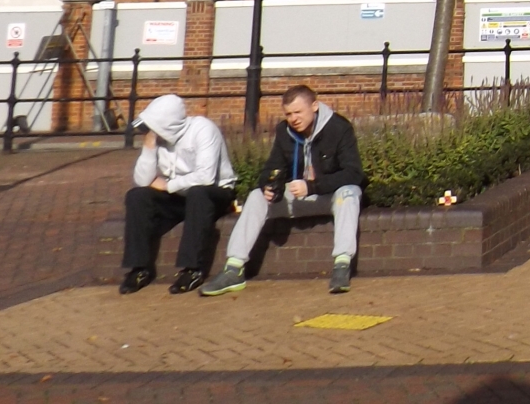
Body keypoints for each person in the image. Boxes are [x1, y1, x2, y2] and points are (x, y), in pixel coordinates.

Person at [202, 84, 365, 296]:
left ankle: (342, 265)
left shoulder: (339, 128)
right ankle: (233, 269)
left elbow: (354, 173)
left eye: (298, 112)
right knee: (256, 196)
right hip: (299, 196)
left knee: (349, 193)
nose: (293, 118)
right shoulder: (284, 131)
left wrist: (312, 186)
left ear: (314, 106)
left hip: (328, 195)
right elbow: (271, 168)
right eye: (288, 114)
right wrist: (269, 185)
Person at [121, 94, 237, 294]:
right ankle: (139, 269)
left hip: (215, 193)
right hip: (182, 196)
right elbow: (142, 181)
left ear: (167, 123)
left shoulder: (203, 129)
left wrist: (168, 185)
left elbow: (206, 177)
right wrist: (149, 146)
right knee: (136, 196)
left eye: (152, 126)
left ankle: (193, 269)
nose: (149, 130)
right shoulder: (158, 139)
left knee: (198, 193)